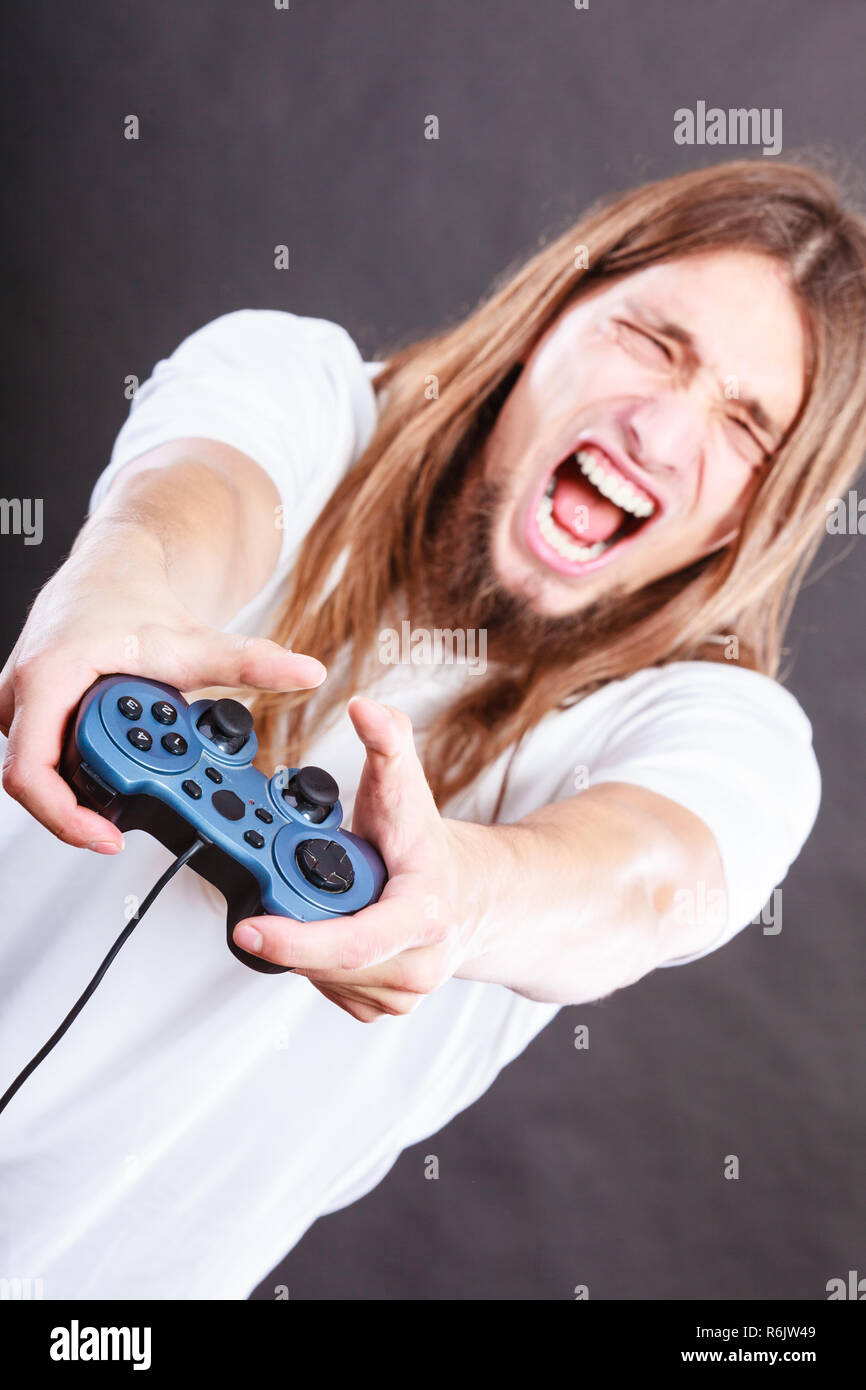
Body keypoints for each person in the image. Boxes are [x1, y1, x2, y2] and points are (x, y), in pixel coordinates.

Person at [1, 159, 865, 1300]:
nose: (658, 432)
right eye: (653, 342)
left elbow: (650, 882)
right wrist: (114, 589)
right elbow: (195, 487)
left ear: (757, 516)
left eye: (747, 428)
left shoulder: (724, 730)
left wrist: (461, 889)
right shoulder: (300, 384)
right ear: (549, 313)